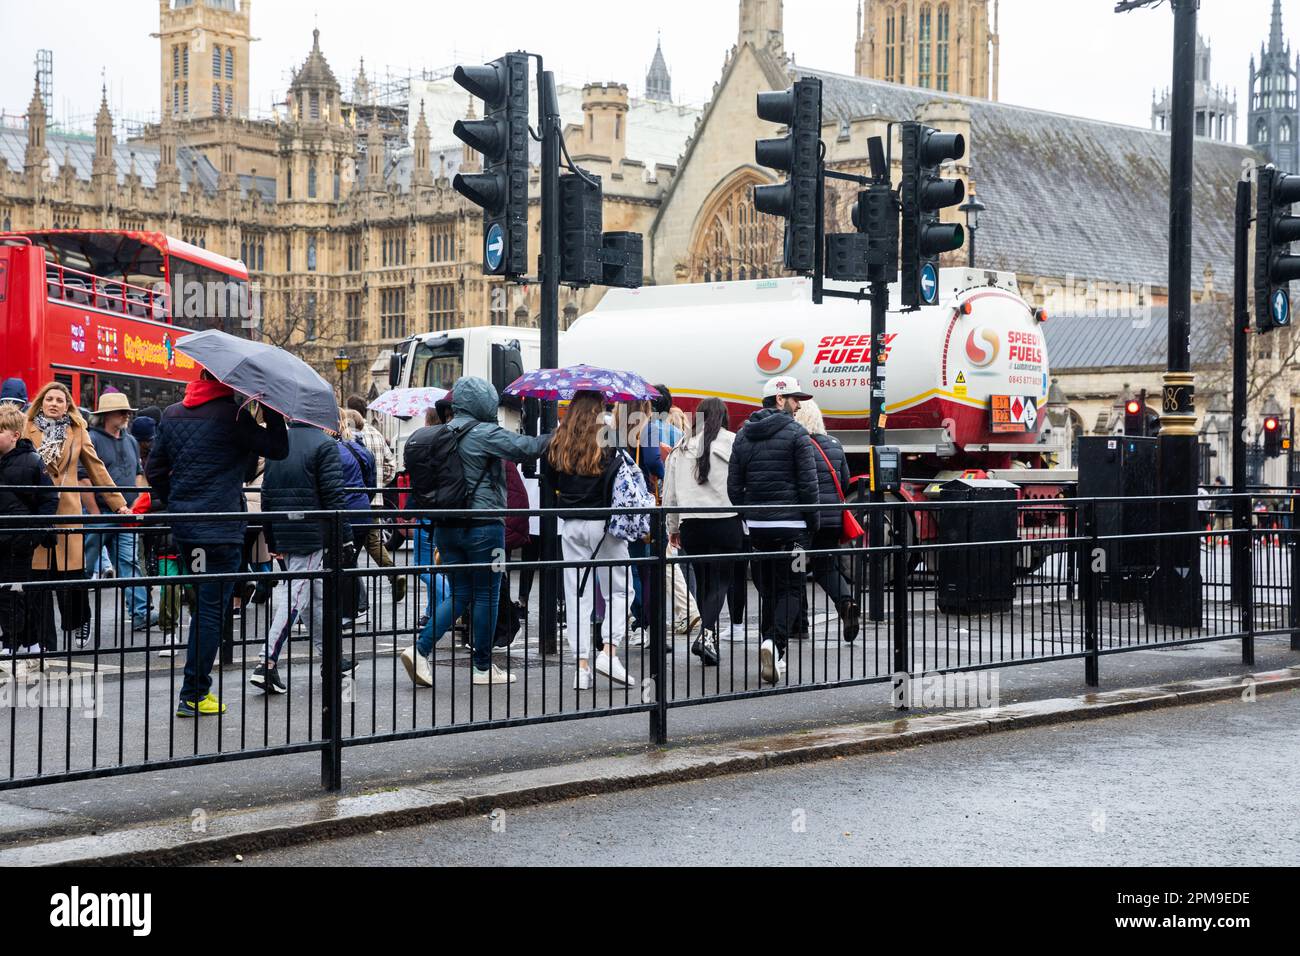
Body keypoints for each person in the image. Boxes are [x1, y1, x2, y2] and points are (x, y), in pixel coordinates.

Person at [146, 369, 288, 718]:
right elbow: (278, 448)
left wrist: (177, 501)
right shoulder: (233, 416)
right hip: (221, 530)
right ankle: (194, 693)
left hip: (187, 530)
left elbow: (154, 471)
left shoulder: (173, 413)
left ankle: (193, 691)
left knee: (202, 605)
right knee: (211, 610)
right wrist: (268, 406)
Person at [400, 376, 549, 686]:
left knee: (460, 593)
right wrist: (562, 436)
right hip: (485, 530)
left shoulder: (440, 433)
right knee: (487, 594)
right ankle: (481, 667)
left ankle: (420, 649)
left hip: (446, 528)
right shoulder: (484, 432)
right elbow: (527, 448)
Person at [22, 382, 129, 656]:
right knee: (38, 580)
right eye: (50, 399)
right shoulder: (27, 428)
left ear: (67, 405)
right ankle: (46, 643)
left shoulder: (77, 430)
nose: (54, 403)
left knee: (72, 577)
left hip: (69, 511)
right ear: (41, 403)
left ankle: (80, 620)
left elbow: (96, 469)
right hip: (37, 512)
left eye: (60, 399)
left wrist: (119, 505)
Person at [728, 376, 820, 686]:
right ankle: (775, 644)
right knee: (792, 588)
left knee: (768, 589)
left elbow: (733, 486)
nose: (798, 405)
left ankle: (773, 651)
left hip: (758, 530)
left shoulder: (743, 435)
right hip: (793, 530)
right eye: (794, 399)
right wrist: (812, 523)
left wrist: (748, 514)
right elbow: (809, 485)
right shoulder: (798, 434)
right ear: (780, 400)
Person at [542, 390, 632, 688]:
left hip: (571, 524)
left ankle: (581, 667)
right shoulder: (609, 437)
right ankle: (609, 651)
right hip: (604, 524)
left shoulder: (559, 439)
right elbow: (618, 476)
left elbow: (551, 479)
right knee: (619, 590)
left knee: (577, 594)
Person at [252, 418, 349, 694]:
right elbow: (334, 497)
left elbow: (267, 493)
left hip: (283, 528)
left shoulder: (278, 443)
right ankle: (266, 662)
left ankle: (331, 658)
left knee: (311, 596)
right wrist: (345, 537)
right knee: (298, 596)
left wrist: (270, 536)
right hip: (312, 532)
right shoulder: (325, 444)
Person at [663, 397, 740, 667]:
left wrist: (672, 527)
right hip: (725, 522)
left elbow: (669, 494)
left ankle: (710, 639)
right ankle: (707, 635)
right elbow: (741, 484)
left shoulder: (681, 447)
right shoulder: (733, 442)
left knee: (705, 581)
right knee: (720, 582)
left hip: (691, 525)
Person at [81, 392, 153, 632]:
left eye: (127, 411)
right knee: (85, 566)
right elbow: (84, 480)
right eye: (121, 411)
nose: (126, 415)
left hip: (126, 514)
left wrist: (138, 504)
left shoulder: (130, 440)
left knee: (128, 562)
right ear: (105, 416)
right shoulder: (91, 439)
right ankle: (78, 615)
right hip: (100, 513)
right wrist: (94, 514)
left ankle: (140, 613)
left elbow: (138, 475)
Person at [794, 399, 860, 642]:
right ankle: (846, 603)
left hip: (803, 523)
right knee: (826, 567)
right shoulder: (834, 444)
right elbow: (844, 481)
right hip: (831, 520)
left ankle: (799, 624)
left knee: (797, 567)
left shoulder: (798, 445)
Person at [0, 404, 58, 678]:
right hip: (5, 539)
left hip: (19, 541)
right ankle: (31, 646)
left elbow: (48, 499)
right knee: (11, 595)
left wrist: (35, 533)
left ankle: (13, 648)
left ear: (14, 435)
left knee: (14, 595)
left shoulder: (32, 461)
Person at [344, 399, 405, 603]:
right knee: (373, 543)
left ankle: (355, 603)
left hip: (353, 500)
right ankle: (392, 573)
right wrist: (381, 483)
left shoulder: (347, 436)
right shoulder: (377, 435)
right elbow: (391, 465)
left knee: (348, 549)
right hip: (375, 499)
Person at [335, 411, 376, 627]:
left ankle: (346, 613)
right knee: (349, 562)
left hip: (344, 513)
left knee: (341, 564)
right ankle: (354, 610)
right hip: (362, 511)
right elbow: (370, 484)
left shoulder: (332, 451)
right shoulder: (361, 450)